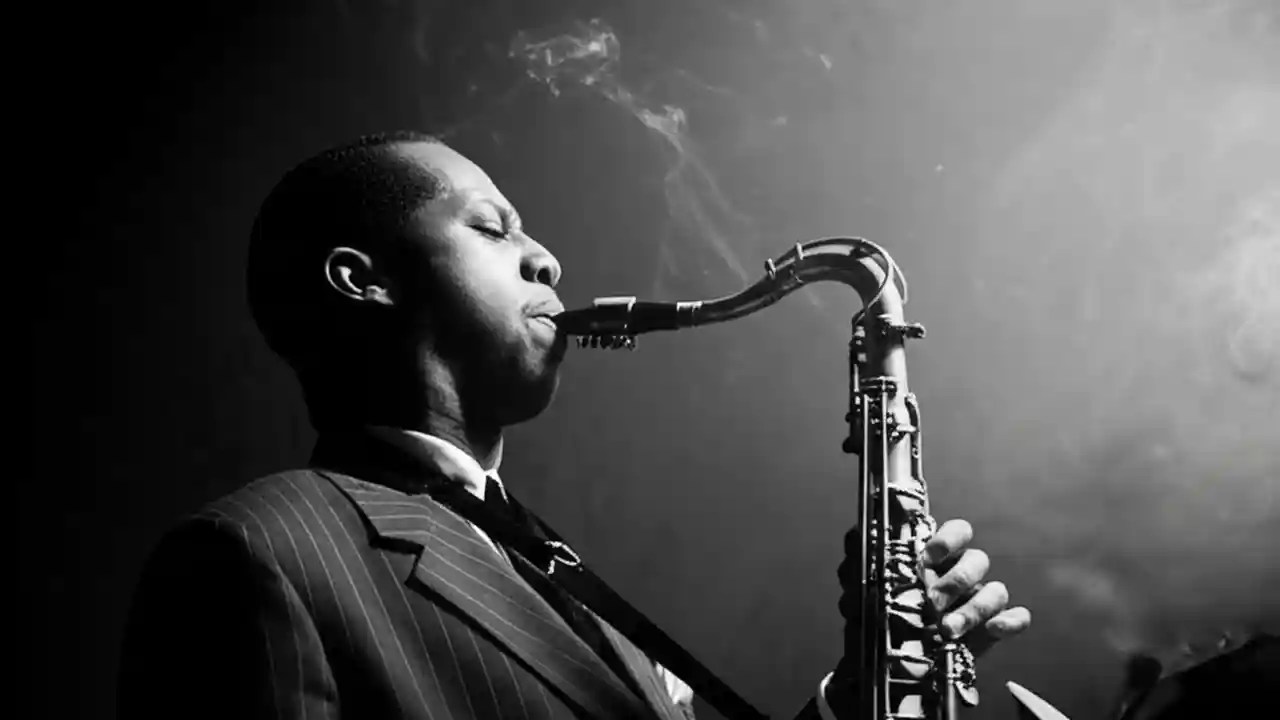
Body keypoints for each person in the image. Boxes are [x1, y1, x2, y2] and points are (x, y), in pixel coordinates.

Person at [117, 131, 1031, 720]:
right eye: (493, 228)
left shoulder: (556, 574)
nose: (546, 258)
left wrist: (857, 695)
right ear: (367, 279)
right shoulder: (257, 550)